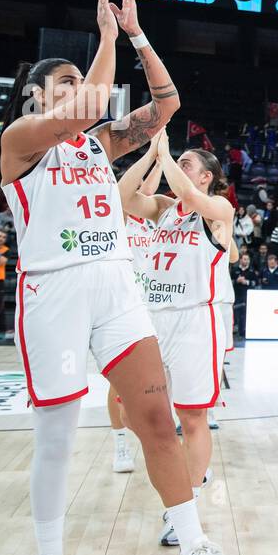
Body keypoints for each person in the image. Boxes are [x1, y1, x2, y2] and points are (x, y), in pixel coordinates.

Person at [0, 0, 246, 555]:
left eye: (83, 79)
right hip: (53, 287)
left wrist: (136, 34)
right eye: (66, 82)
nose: (81, 90)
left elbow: (166, 103)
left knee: (157, 418)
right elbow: (87, 104)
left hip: (114, 282)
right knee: (56, 433)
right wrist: (103, 38)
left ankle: (193, 551)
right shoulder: (21, 142)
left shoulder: (100, 147)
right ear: (34, 97)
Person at [121, 129, 236, 546]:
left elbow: (192, 193)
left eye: (188, 163)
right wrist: (153, 155)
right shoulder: (166, 208)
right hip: (152, 321)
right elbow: (121, 197)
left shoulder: (218, 209)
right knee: (141, 415)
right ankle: (186, 472)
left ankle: (186, 503)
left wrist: (169, 158)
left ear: (207, 176)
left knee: (192, 418)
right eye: (179, 160)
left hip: (193, 323)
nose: (180, 167)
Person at [106, 151, 162, 472]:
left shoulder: (149, 215)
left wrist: (158, 153)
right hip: (125, 305)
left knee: (152, 381)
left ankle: (152, 436)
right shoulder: (119, 215)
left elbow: (149, 188)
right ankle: (120, 446)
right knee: (120, 381)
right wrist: (151, 153)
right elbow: (130, 188)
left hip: (154, 305)